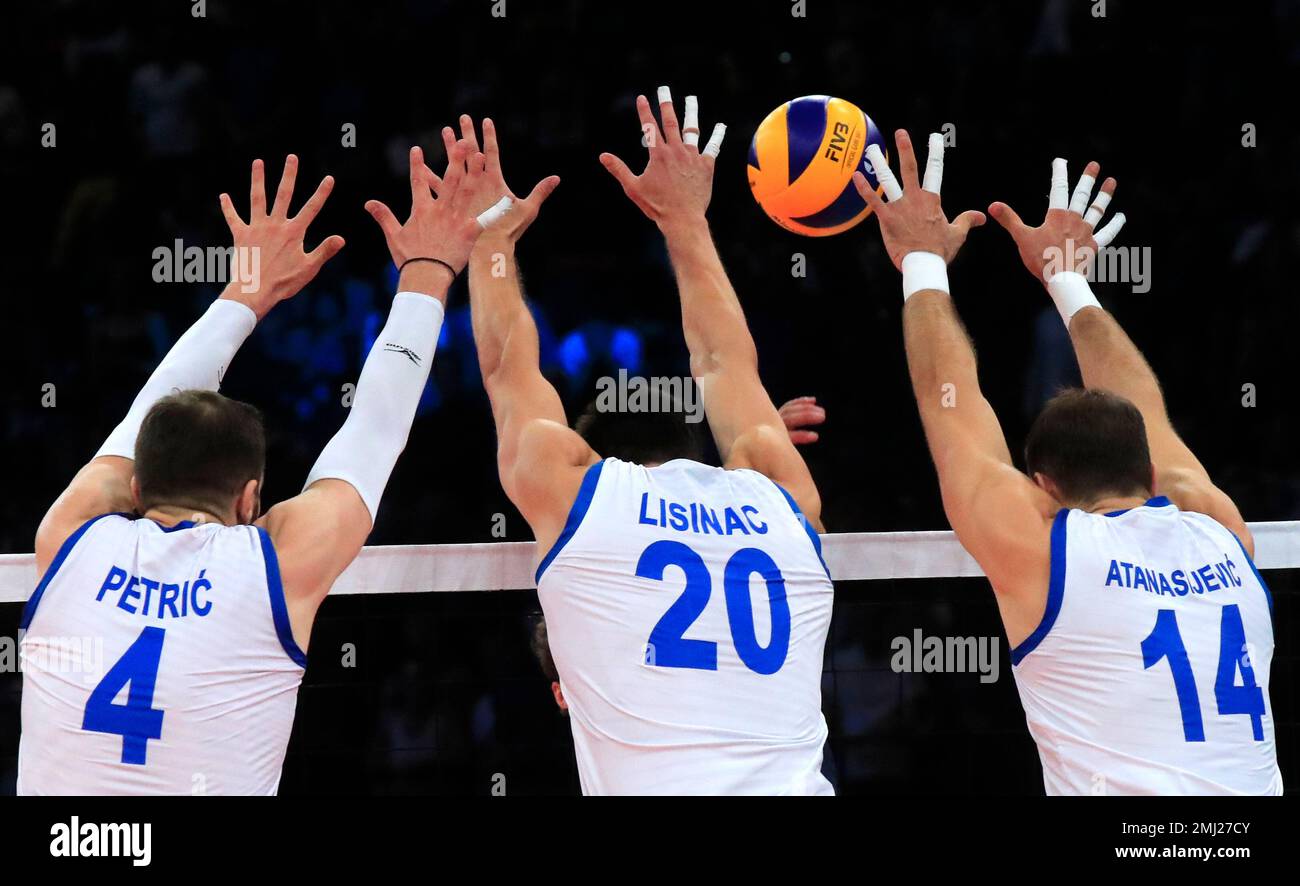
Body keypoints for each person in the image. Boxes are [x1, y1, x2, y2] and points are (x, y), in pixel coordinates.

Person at [19, 136, 500, 794]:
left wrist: (242, 297)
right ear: (251, 499)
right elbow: (374, 432)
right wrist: (428, 271)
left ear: (136, 485)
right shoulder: (274, 567)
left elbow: (135, 429)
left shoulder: (67, 539)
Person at [854, 129, 1281, 794]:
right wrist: (1069, 280)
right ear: (1148, 475)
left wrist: (920, 260)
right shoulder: (1218, 526)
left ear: (1042, 487)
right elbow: (1146, 411)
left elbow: (951, 406)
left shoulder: (1045, 548)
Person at [464, 89, 834, 795]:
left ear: (591, 451)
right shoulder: (784, 497)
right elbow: (727, 364)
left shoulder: (579, 499)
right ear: (696, 439)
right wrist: (685, 218)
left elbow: (506, 366)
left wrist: (492, 239)